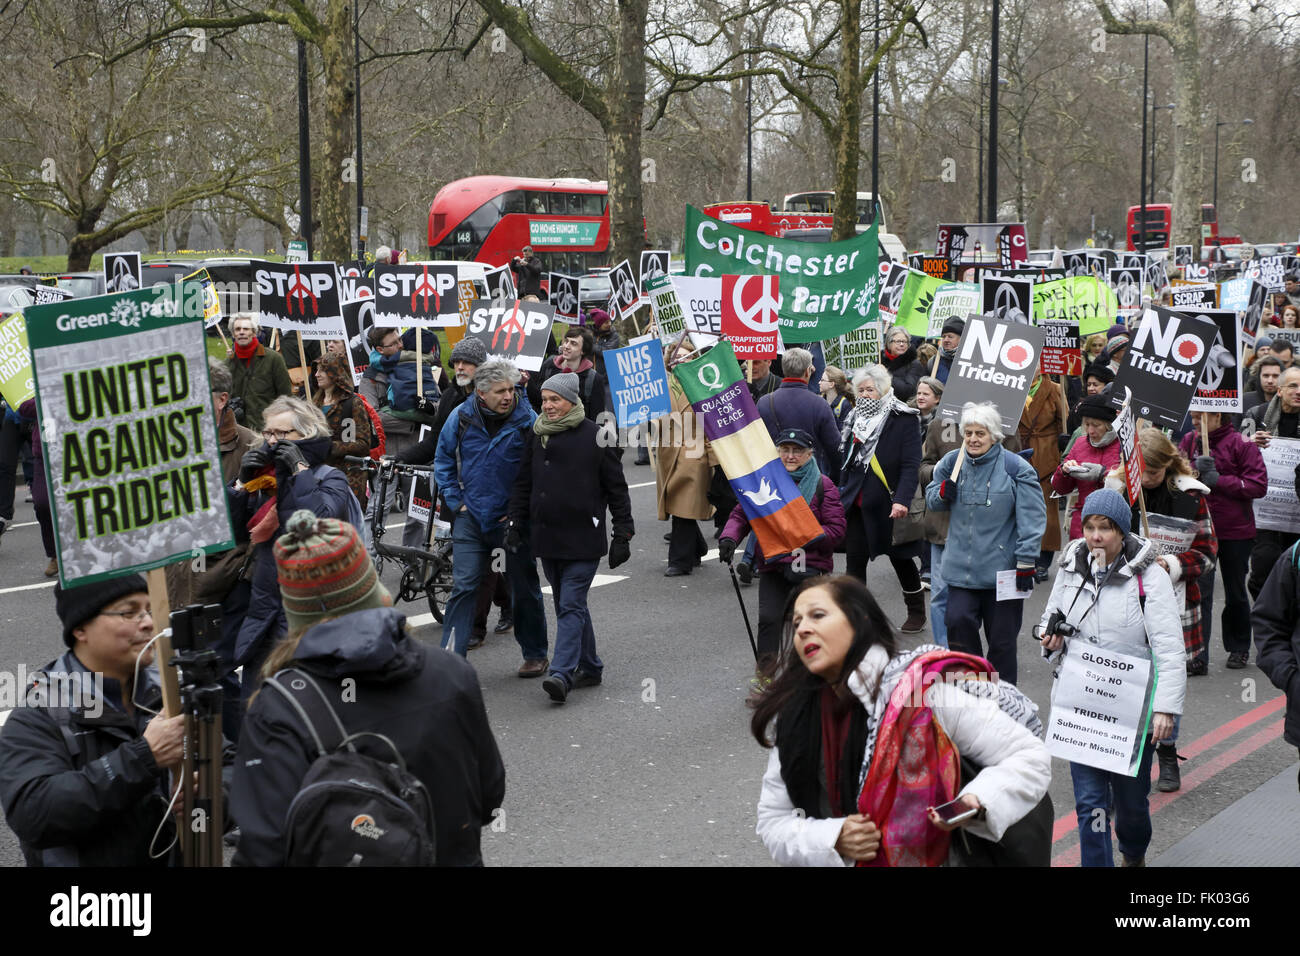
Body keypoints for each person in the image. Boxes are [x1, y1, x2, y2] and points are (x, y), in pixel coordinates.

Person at [229, 510, 505, 866]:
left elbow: (264, 851)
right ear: (374, 591)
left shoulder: (279, 708)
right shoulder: (452, 671)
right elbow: (488, 796)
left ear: (295, 614)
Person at [751, 575, 1052, 867]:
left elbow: (1027, 756)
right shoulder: (794, 714)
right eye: (797, 622)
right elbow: (774, 821)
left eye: (818, 615)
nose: (803, 629)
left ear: (859, 622)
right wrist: (833, 837)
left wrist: (976, 802)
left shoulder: (923, 691)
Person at [1036, 489, 1186, 867]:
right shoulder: (1071, 568)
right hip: (1081, 706)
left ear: (1122, 532)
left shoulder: (1150, 578)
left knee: (1132, 805)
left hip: (1131, 713)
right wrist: (1050, 640)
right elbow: (1050, 617)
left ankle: (1133, 854)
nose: (1096, 536)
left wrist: (1165, 709)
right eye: (1089, 527)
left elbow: (1169, 650)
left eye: (1105, 528)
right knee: (1090, 804)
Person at [0, 575, 187, 865]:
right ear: (80, 628)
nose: (149, 623)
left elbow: (228, 764)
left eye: (149, 610)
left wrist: (210, 793)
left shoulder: (169, 692)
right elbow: (34, 813)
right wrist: (143, 757)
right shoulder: (40, 714)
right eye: (129, 612)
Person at [228, 396, 364, 703]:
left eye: (282, 434)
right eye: (268, 433)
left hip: (312, 616)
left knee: (308, 708)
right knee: (257, 707)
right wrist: (240, 484)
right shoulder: (263, 480)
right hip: (265, 614)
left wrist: (299, 471)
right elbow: (234, 534)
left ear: (306, 436)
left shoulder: (330, 477)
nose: (272, 441)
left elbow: (315, 524)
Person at [509, 373, 634, 703]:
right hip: (547, 537)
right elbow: (524, 484)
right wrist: (514, 523)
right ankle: (590, 666)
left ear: (572, 400)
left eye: (555, 400)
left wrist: (623, 532)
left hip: (582, 536)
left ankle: (562, 673)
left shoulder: (597, 436)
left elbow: (616, 488)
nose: (547, 406)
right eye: (545, 399)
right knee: (571, 604)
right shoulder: (536, 435)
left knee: (570, 603)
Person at [1107, 429, 1215, 790]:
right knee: (1124, 678)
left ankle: (1166, 751)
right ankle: (1121, 751)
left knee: (1165, 679)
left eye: (1152, 472)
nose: (1146, 477)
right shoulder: (1118, 491)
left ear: (1167, 465)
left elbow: (1206, 553)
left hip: (1173, 600)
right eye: (1140, 470)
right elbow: (1095, 539)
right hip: (1122, 600)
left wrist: (1171, 564)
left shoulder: (1191, 497)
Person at [164, 358, 260, 739]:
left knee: (214, 669)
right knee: (184, 671)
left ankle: (244, 749)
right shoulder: (173, 443)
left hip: (225, 580)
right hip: (180, 575)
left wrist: (241, 572)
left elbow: (263, 520)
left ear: (222, 400)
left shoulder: (250, 446)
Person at [434, 359, 550, 673]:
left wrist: (522, 512)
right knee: (464, 586)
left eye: (511, 389)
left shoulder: (527, 420)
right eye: (500, 391)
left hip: (510, 521)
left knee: (523, 586)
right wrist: (455, 501)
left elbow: (539, 469)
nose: (508, 396)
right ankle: (451, 658)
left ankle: (535, 653)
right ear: (481, 393)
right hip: (470, 519)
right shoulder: (460, 417)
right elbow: (442, 458)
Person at [396, 336, 512, 647]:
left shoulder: (496, 399)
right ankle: (508, 600)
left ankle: (474, 627)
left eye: (467, 363)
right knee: (475, 559)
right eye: (456, 362)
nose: (460, 367)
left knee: (482, 562)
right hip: (455, 492)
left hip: (488, 494)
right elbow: (434, 444)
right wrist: (400, 457)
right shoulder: (449, 397)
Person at [926, 402, 1045, 684]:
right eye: (968, 433)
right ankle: (972, 691)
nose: (973, 439)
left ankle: (1005, 702)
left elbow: (1032, 517)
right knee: (958, 630)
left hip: (1002, 574)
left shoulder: (1016, 468)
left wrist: (1027, 560)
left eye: (980, 433)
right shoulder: (951, 463)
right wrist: (942, 492)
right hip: (960, 573)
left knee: (1002, 644)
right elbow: (932, 499)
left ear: (994, 436)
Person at [719, 428, 846, 666]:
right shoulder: (765, 480)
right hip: (773, 564)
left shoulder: (823, 485)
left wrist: (808, 535)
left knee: (807, 625)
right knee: (768, 619)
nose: (790, 456)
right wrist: (729, 538)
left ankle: (808, 677)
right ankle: (765, 677)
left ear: (810, 454)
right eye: (785, 450)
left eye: (797, 451)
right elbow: (741, 515)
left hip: (810, 567)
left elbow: (837, 531)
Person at [1175, 410, 1266, 671]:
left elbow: (1257, 485)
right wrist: (1191, 473)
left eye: (1200, 416)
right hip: (1200, 528)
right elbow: (1177, 479)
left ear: (1219, 415)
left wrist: (1219, 480)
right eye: (1192, 415)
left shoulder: (1242, 443)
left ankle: (1238, 647)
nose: (1193, 421)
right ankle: (1197, 655)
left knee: (1235, 591)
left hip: (1235, 530)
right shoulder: (1189, 441)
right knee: (1199, 592)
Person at [838, 364, 925, 632]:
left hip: (889, 504)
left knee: (901, 559)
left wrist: (902, 500)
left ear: (884, 389)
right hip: (857, 503)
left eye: (870, 389)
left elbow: (912, 465)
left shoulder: (904, 417)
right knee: (854, 562)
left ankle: (916, 612)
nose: (865, 395)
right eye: (860, 390)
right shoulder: (854, 417)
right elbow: (845, 460)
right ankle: (856, 617)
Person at [656, 341, 716, 576]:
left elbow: (712, 427)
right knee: (680, 507)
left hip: (694, 456)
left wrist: (713, 460)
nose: (681, 360)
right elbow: (653, 420)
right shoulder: (660, 387)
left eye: (687, 356)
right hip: (668, 456)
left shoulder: (705, 387)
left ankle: (679, 561)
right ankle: (697, 547)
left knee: (684, 505)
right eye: (677, 356)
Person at [1241, 366, 1300, 600]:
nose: (1298, 391)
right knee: (1262, 570)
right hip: (1264, 509)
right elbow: (1237, 448)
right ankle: (1266, 614)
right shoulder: (1256, 414)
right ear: (1279, 390)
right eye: (1293, 386)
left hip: (1296, 510)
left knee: (1293, 571)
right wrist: (1250, 442)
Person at [755, 347, 842, 483]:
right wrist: (834, 480)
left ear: (784, 370)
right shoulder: (820, 404)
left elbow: (756, 446)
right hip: (810, 480)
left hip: (774, 481)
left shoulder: (764, 403)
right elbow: (835, 449)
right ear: (807, 372)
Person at [1018, 368, 1068, 581]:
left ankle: (1043, 560)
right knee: (1018, 508)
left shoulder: (1055, 389)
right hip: (1018, 452)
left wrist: (1063, 446)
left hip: (1047, 456)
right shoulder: (1011, 385)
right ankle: (1021, 556)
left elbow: (1062, 422)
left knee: (1047, 510)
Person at [1053, 387, 1122, 541]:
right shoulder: (1079, 443)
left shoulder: (1122, 445)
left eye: (1096, 425)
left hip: (1112, 521)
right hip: (1083, 522)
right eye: (1087, 424)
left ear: (1108, 424)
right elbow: (1060, 488)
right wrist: (1064, 471)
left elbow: (1130, 486)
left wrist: (1103, 475)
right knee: (1081, 564)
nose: (1090, 430)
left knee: (1103, 563)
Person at [311, 351, 373, 506]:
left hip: (347, 477)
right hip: (317, 475)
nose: (317, 374)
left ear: (335, 373)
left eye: (322, 370)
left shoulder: (351, 403)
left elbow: (362, 444)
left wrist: (328, 447)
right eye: (316, 370)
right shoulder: (314, 403)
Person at [527, 325, 609, 423]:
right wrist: (528, 381)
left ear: (583, 350)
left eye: (573, 343)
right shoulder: (549, 365)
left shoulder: (593, 379)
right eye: (566, 341)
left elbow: (598, 418)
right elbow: (537, 399)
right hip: (549, 428)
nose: (566, 346)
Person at [226, 313, 292, 432]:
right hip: (238, 432)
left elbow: (286, 397)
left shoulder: (273, 359)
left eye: (246, 329)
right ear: (233, 334)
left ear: (255, 332)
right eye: (237, 329)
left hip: (268, 431)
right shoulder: (227, 364)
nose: (241, 332)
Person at [881, 324, 925, 401]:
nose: (901, 344)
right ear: (889, 343)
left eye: (904, 341)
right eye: (898, 341)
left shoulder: (914, 364)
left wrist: (886, 374)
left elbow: (908, 391)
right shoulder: (879, 360)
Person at [587, 308, 621, 377]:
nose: (609, 324)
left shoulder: (614, 335)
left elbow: (608, 352)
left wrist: (590, 345)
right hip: (589, 375)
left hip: (607, 377)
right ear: (599, 324)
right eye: (606, 322)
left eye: (609, 321)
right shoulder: (588, 333)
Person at [933, 318, 964, 384]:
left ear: (961, 338)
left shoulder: (969, 361)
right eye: (944, 336)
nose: (946, 340)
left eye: (950, 336)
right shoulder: (934, 361)